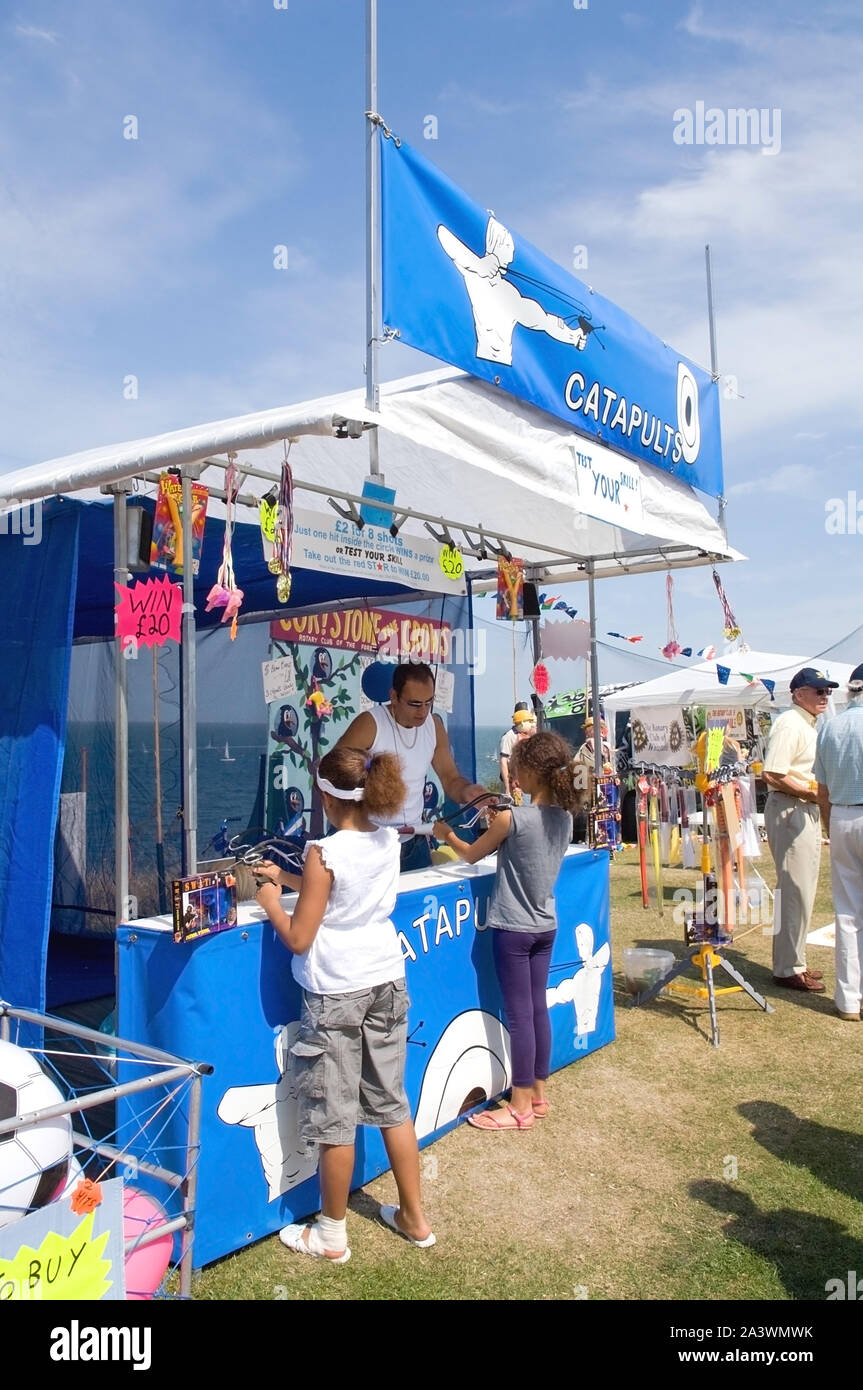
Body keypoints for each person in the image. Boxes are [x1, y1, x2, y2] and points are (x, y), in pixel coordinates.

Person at [253, 745, 435, 1263]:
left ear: (327, 797)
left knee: (336, 1118)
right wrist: (288, 880)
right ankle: (415, 1220)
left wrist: (270, 901)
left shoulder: (322, 853)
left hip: (336, 992)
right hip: (385, 979)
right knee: (392, 1105)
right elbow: (340, 893)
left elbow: (300, 936)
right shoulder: (386, 841)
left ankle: (331, 1234)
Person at [433, 730, 582, 1130]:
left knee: (519, 1015)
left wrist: (444, 833)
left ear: (532, 771)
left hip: (513, 929)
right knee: (536, 1009)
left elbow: (469, 854)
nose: (513, 775)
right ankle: (537, 1093)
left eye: (517, 768)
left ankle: (518, 1106)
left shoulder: (511, 817)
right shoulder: (564, 818)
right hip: (545, 925)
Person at [336, 662, 490, 871]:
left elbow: (450, 778)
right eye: (415, 704)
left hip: (415, 841)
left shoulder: (434, 726)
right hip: (371, 843)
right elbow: (331, 773)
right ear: (394, 696)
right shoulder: (370, 724)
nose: (423, 712)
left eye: (429, 703)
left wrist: (468, 792)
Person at [763, 667, 838, 993]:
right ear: (798, 694)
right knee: (795, 890)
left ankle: (794, 961)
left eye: (827, 691)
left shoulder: (804, 723)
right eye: (818, 690)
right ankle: (788, 967)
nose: (824, 696)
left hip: (799, 807)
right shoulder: (790, 724)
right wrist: (813, 793)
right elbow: (773, 773)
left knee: (800, 890)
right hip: (791, 807)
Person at [814, 663, 863, 1020]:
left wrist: (831, 827)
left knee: (847, 912)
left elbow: (823, 788)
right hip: (848, 809)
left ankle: (848, 998)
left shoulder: (830, 726)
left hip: (843, 815)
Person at [499, 705, 537, 800]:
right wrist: (508, 789)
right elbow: (504, 762)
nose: (531, 724)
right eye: (529, 721)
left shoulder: (529, 735)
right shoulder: (508, 737)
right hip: (512, 782)